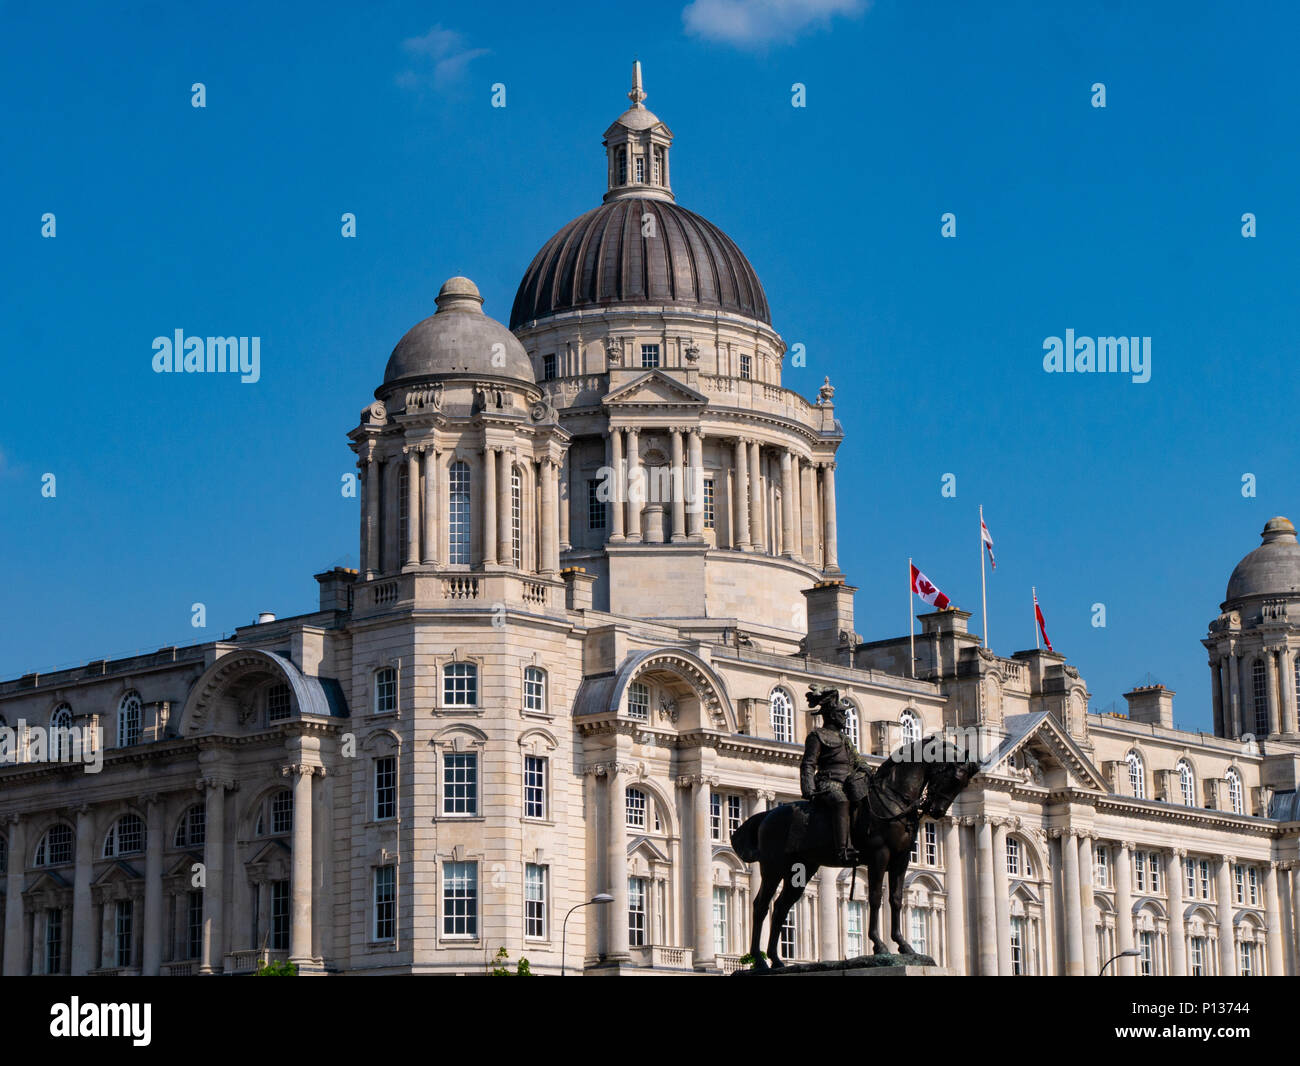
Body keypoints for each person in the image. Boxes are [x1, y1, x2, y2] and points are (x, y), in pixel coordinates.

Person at [799, 686, 870, 865]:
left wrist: (867, 770)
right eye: (841, 714)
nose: (845, 717)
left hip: (848, 781)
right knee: (841, 801)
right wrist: (808, 788)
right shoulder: (817, 736)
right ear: (831, 715)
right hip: (828, 782)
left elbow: (857, 760)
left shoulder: (845, 739)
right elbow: (808, 764)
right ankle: (842, 849)